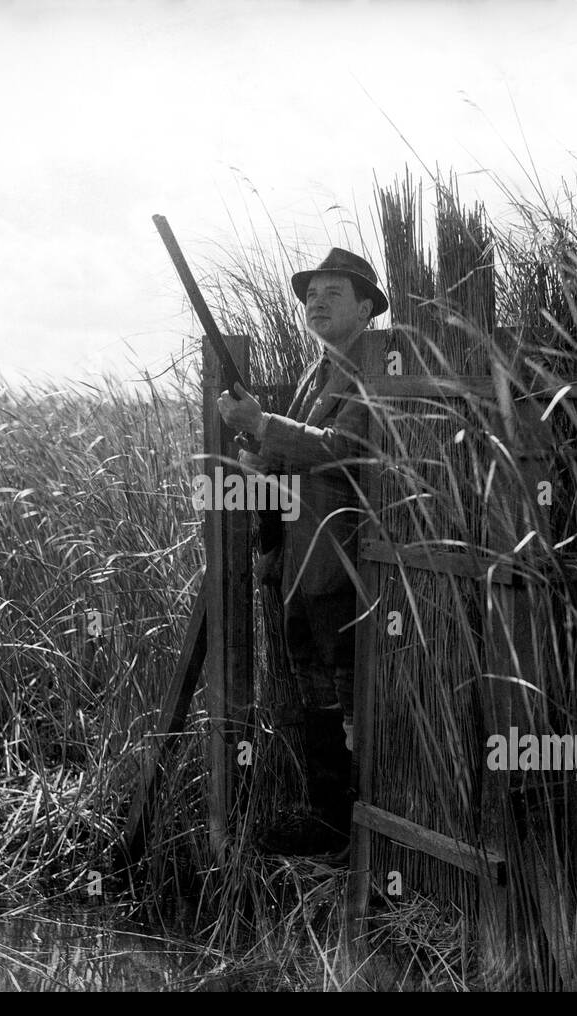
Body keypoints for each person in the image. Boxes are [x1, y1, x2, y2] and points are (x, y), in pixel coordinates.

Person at [217, 247, 387, 856]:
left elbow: (345, 449)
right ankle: (329, 821)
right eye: (311, 293)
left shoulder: (373, 369)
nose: (315, 301)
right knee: (318, 694)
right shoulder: (318, 376)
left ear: (366, 308)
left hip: (346, 565)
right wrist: (261, 458)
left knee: (351, 696)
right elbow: (297, 463)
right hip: (302, 566)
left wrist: (266, 430)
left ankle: (362, 832)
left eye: (332, 293)